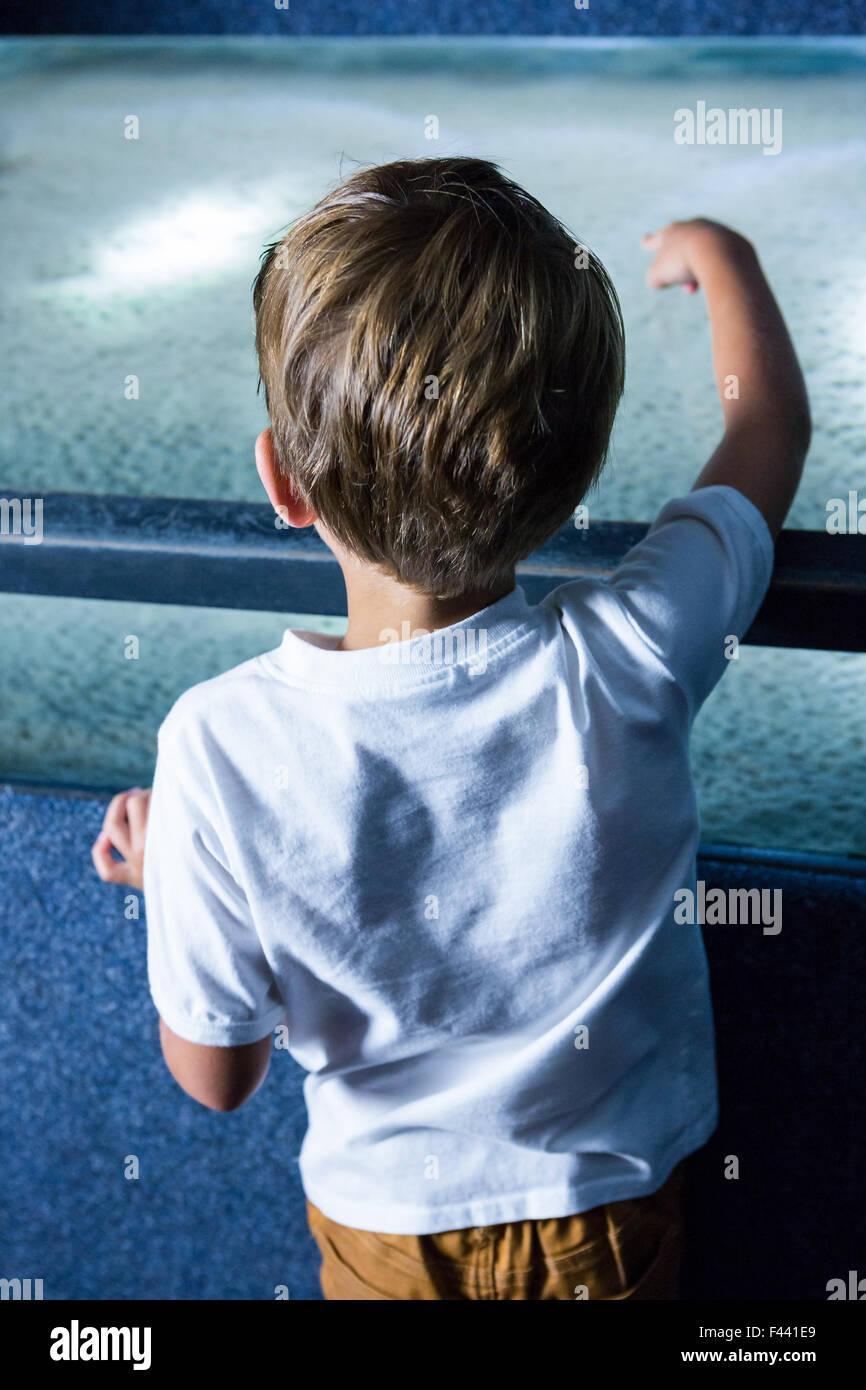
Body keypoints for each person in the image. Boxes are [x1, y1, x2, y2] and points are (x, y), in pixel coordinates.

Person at [91, 157, 810, 1300]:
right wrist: (724, 255)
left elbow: (215, 1074)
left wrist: (171, 877)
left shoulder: (219, 748)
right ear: (567, 483)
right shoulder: (634, 649)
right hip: (607, 1219)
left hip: (383, 1233)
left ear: (283, 484)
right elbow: (766, 429)